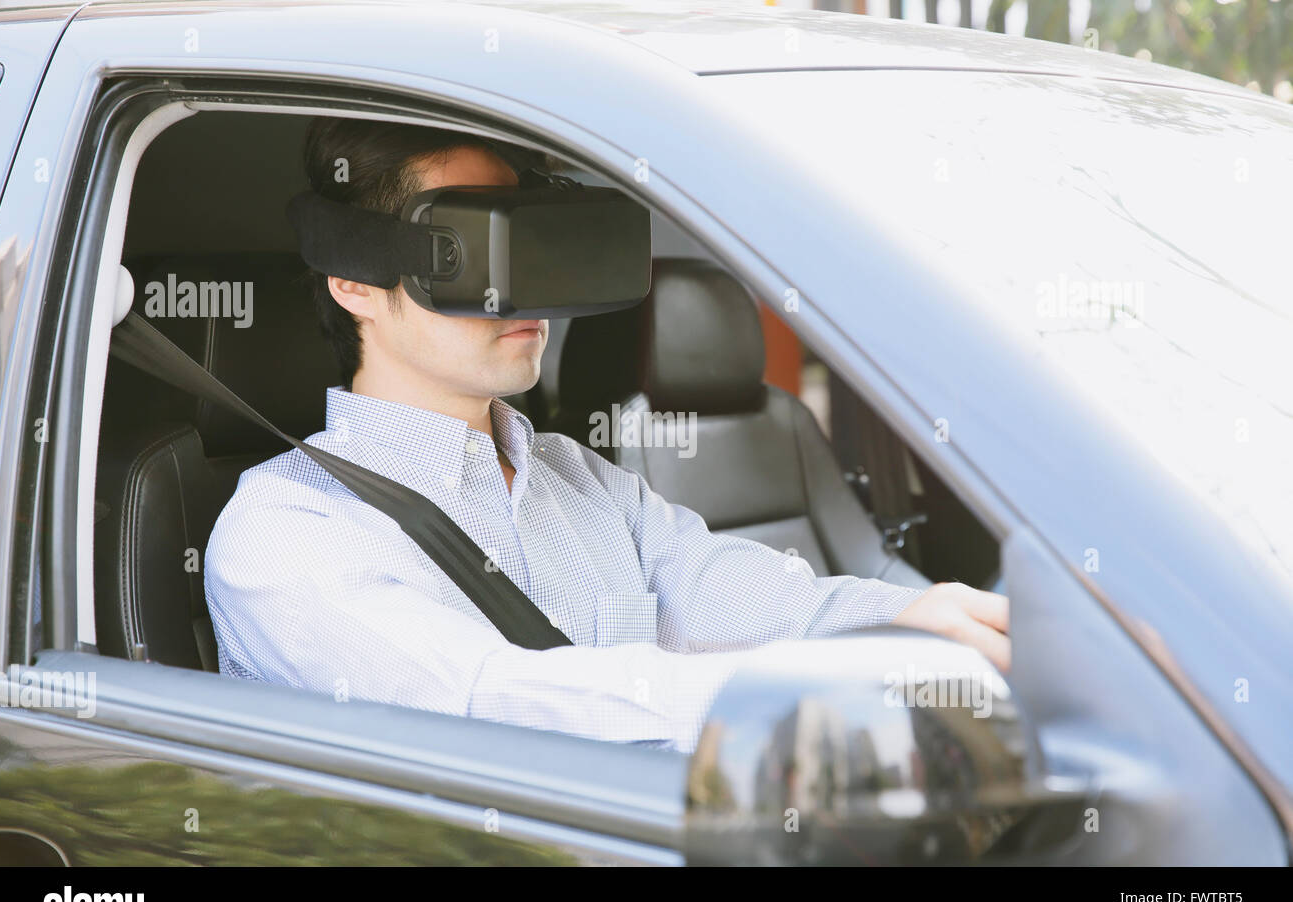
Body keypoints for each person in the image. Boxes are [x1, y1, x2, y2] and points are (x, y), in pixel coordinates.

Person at [204, 118, 1009, 753]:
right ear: (355, 282)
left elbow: (732, 596)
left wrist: (917, 621)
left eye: (535, 246)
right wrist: (819, 691)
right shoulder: (287, 533)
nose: (525, 296)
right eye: (477, 250)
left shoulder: (576, 476)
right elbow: (491, 705)